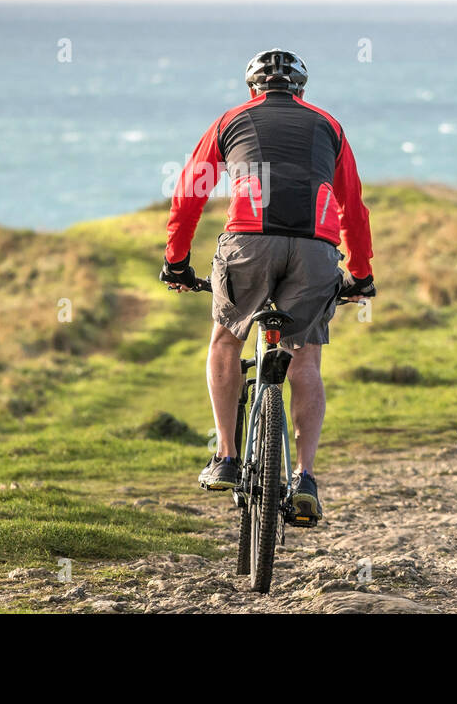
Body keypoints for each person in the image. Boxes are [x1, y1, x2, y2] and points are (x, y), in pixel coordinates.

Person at [159, 49, 376, 522]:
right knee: (306, 357)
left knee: (224, 341)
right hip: (315, 249)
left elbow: (190, 193)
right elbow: (353, 207)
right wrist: (361, 274)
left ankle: (227, 458)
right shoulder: (329, 127)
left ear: (252, 88)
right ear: (301, 89)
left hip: (249, 244)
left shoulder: (229, 120)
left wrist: (177, 262)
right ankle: (305, 478)